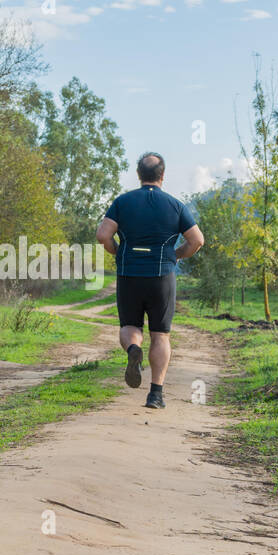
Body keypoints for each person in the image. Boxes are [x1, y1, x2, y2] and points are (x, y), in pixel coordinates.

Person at [96, 152, 204, 409]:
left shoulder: (122, 202)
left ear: (138, 175)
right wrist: (176, 255)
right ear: (162, 175)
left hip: (129, 275)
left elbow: (103, 235)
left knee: (130, 327)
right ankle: (155, 394)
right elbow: (197, 241)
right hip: (161, 277)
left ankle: (133, 349)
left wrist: (117, 251)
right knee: (160, 335)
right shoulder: (175, 205)